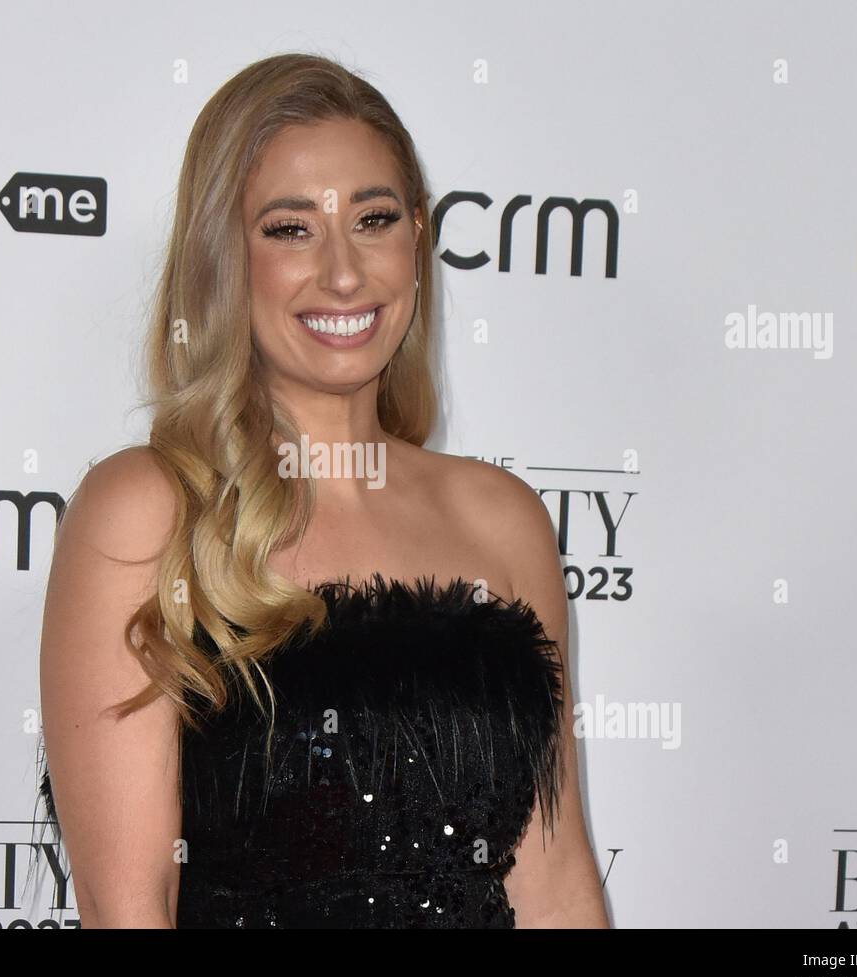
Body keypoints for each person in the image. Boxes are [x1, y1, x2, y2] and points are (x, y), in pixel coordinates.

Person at [34, 52, 609, 929]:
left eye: (373, 220)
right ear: (224, 256)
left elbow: (555, 882)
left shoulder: (503, 520)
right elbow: (128, 909)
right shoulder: (147, 513)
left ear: (417, 236)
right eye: (290, 229)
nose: (344, 274)